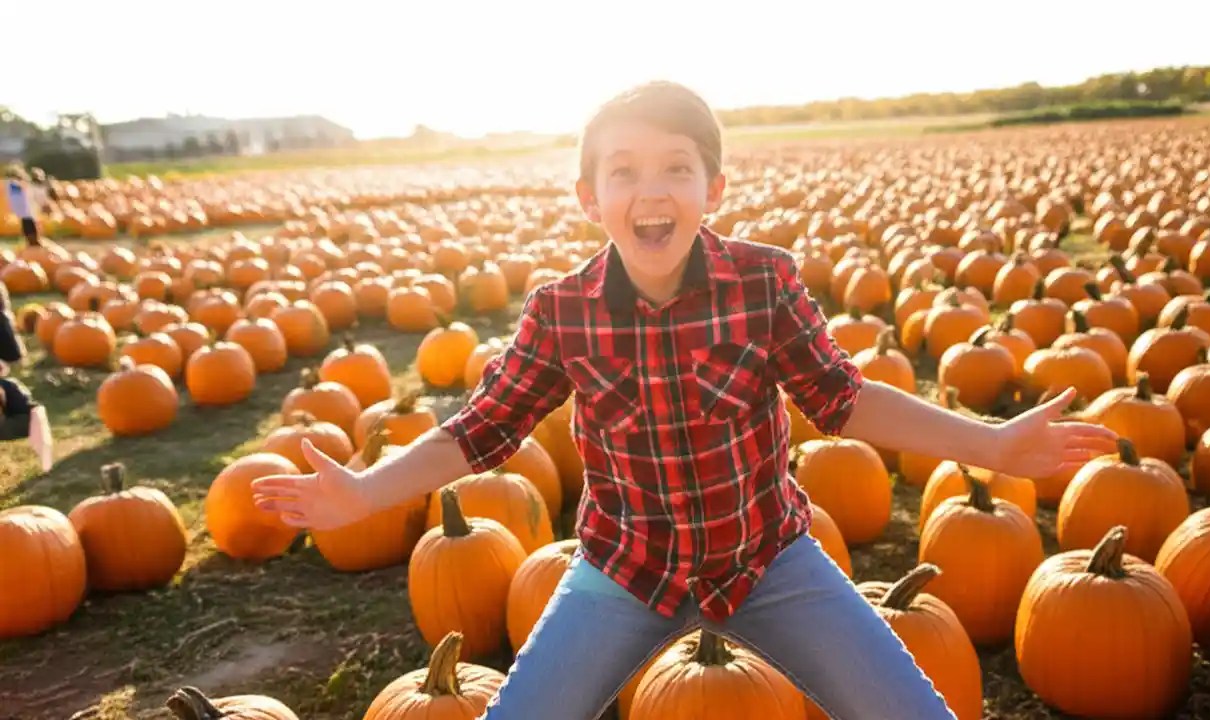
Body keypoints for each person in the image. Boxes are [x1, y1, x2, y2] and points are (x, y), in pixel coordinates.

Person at [251, 81, 1117, 719]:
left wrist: (994, 445)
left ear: (715, 189)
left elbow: (844, 401)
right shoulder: (563, 311)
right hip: (623, 572)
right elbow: (484, 430)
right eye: (623, 171)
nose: (651, 190)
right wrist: (365, 492)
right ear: (590, 198)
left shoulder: (763, 282)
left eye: (676, 168)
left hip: (770, 560)